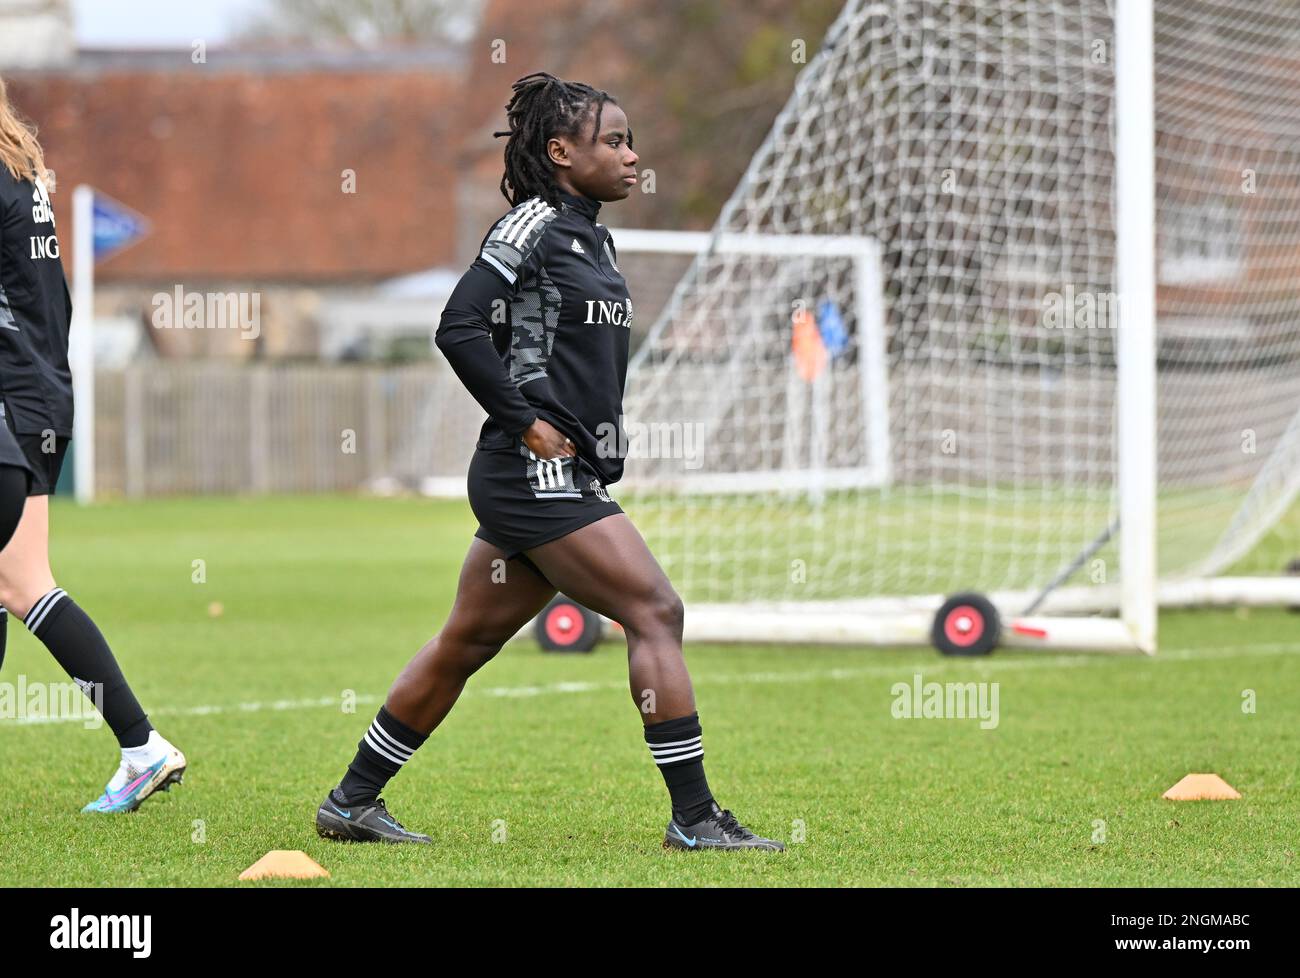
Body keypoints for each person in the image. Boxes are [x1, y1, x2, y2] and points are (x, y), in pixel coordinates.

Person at [315, 72, 782, 851]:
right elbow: (460, 327)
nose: (633, 155)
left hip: (564, 477)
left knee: (466, 642)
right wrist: (525, 420)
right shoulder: (529, 225)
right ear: (561, 152)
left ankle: (352, 801)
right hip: (530, 475)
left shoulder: (593, 236)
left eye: (632, 140)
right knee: (656, 611)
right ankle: (696, 821)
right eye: (615, 141)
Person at [0, 76, 186, 812]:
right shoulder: (18, 171)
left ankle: (142, 745)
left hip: (12, 396)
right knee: (8, 582)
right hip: (41, 392)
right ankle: (142, 746)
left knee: (22, 583)